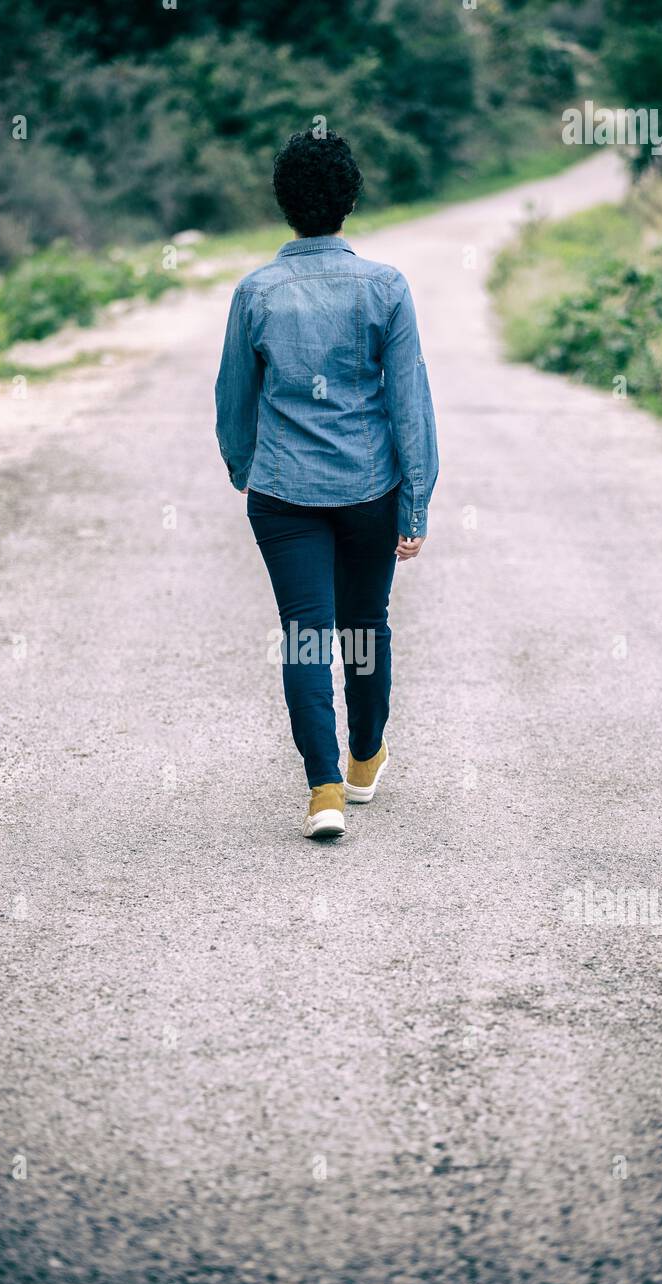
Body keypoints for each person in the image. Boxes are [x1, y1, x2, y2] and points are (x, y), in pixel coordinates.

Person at [215, 129, 439, 839]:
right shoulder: (385, 287)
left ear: (284, 204)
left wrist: (246, 469)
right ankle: (365, 757)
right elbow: (410, 403)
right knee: (364, 626)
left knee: (305, 634)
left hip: (283, 495)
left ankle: (324, 791)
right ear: (350, 199)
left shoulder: (257, 292)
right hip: (369, 489)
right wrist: (414, 500)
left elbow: (233, 401)